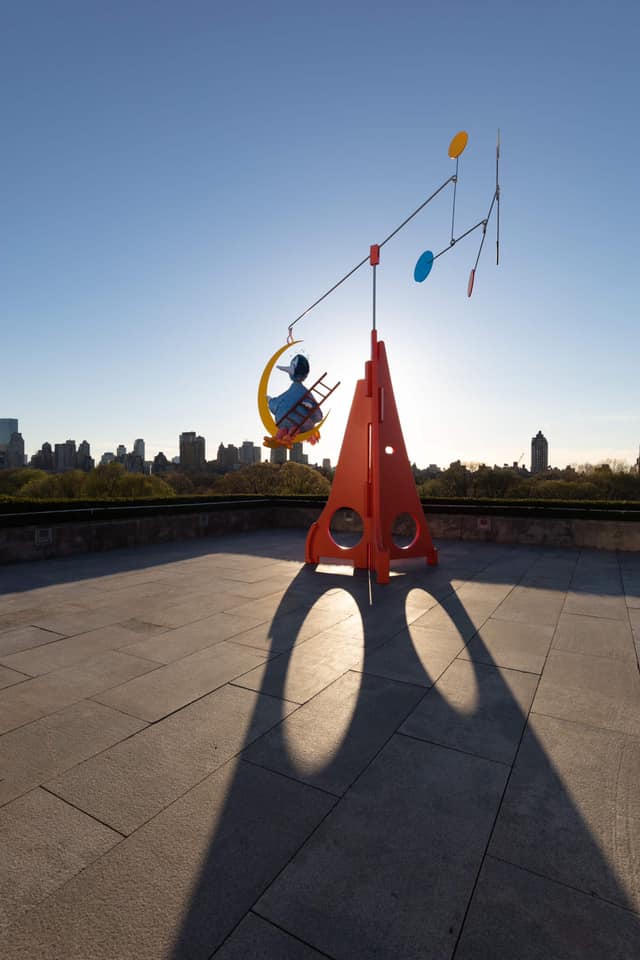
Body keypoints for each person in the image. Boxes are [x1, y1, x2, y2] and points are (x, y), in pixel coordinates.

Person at [268, 354, 322, 443]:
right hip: (284, 422)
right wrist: (270, 401)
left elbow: (318, 416)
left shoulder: (303, 393)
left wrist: (311, 407)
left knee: (294, 428)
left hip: (296, 424)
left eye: (292, 366)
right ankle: (278, 437)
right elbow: (279, 401)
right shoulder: (296, 391)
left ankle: (289, 437)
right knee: (284, 428)